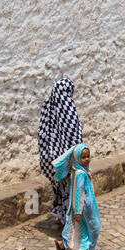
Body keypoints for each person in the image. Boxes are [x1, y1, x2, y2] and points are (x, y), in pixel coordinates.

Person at [38, 78, 84, 222]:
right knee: (72, 189)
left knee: (61, 187)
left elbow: (43, 133)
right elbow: (75, 134)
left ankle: (62, 216)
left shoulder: (49, 106)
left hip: (54, 157)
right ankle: (68, 220)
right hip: (69, 158)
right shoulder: (68, 106)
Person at [53, 142, 100, 250]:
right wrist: (78, 211)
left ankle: (62, 245)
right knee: (94, 227)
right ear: (77, 158)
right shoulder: (80, 174)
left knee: (76, 227)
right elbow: (79, 193)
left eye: (88, 156)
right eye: (83, 157)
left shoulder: (79, 171)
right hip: (85, 207)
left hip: (85, 206)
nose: (87, 159)